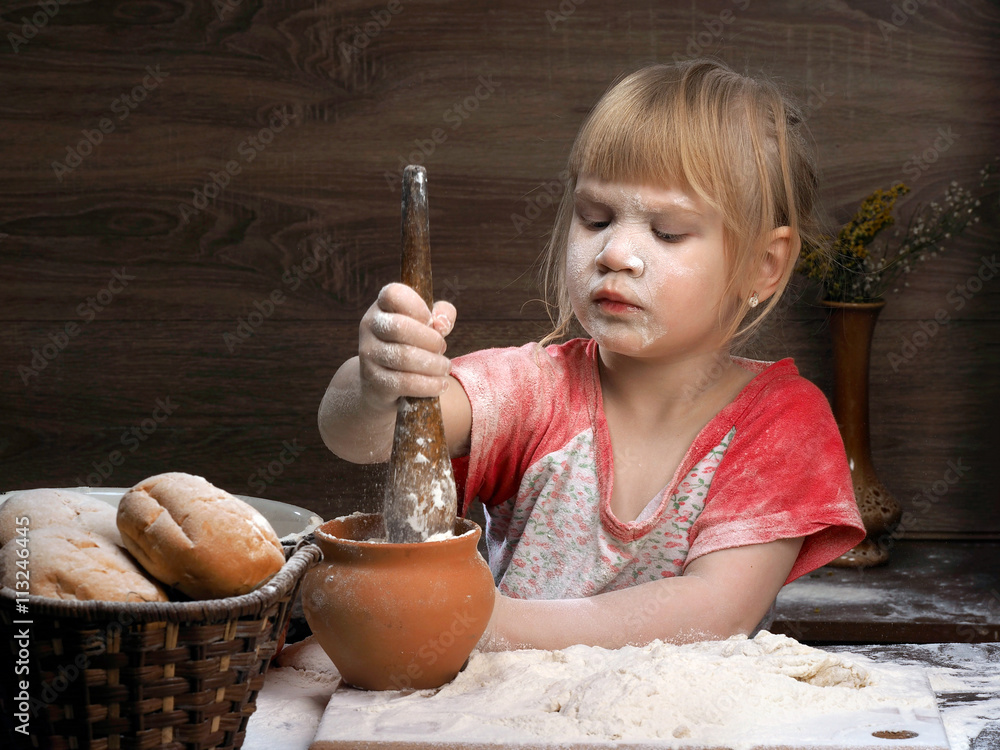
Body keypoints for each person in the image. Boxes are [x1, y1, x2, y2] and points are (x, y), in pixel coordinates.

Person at [318, 59, 865, 651]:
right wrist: (380, 382)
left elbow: (715, 610)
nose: (616, 252)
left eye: (668, 232)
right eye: (595, 217)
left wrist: (472, 623)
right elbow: (365, 435)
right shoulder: (537, 389)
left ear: (764, 264)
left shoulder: (782, 424)